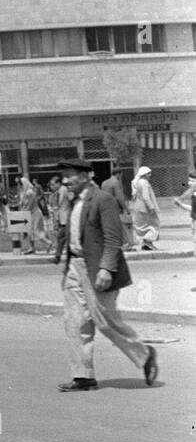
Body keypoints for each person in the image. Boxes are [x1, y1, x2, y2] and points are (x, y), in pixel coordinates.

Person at [56, 158, 156, 392]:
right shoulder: (73, 202)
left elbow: (113, 238)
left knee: (105, 321)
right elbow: (72, 234)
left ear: (85, 176)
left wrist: (106, 268)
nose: (65, 180)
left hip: (97, 268)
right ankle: (83, 377)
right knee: (75, 322)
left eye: (70, 175)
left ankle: (144, 354)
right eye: (64, 176)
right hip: (75, 267)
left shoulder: (103, 199)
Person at [100, 171, 136, 251]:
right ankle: (126, 244)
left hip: (105, 207)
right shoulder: (116, 182)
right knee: (121, 226)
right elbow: (119, 197)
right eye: (121, 175)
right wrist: (126, 208)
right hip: (115, 208)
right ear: (118, 174)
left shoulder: (104, 183)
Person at [130, 165, 161, 251]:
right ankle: (147, 241)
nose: (150, 175)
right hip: (145, 209)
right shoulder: (144, 182)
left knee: (145, 226)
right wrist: (151, 207)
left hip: (138, 208)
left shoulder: (138, 182)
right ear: (144, 174)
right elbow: (146, 197)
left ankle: (146, 245)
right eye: (148, 173)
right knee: (155, 225)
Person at [48, 175, 71, 265]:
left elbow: (58, 203)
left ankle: (58, 257)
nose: (51, 187)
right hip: (62, 218)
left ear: (58, 183)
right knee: (62, 238)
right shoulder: (59, 191)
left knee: (61, 237)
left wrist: (54, 207)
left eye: (53, 184)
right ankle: (58, 256)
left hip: (65, 218)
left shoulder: (63, 190)